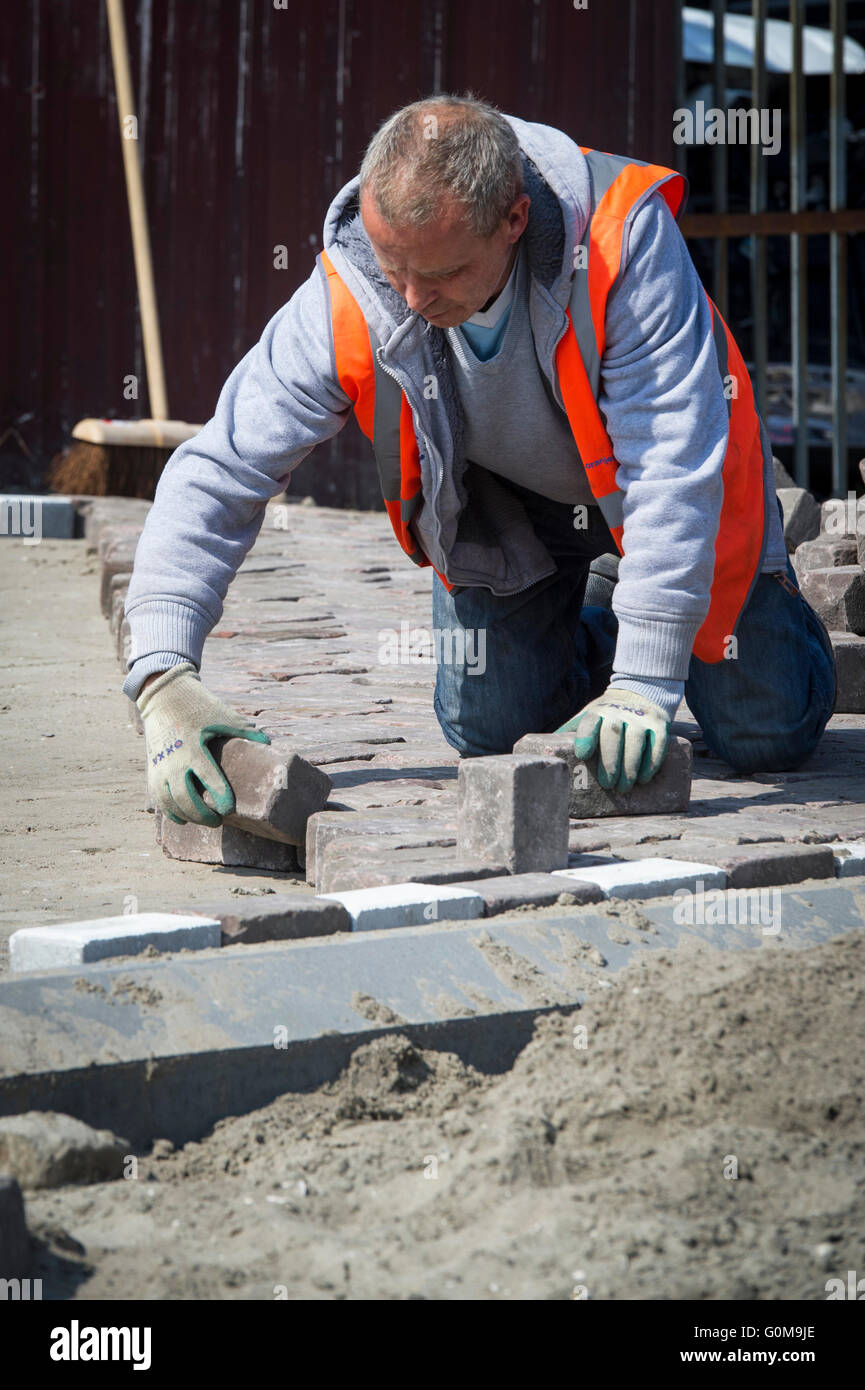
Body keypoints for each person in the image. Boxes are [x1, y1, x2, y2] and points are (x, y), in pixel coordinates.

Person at [125, 94, 836, 827]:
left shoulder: (621, 241)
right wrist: (162, 677)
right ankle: (610, 608)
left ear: (514, 221)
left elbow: (669, 466)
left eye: (441, 274)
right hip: (513, 509)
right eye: (392, 266)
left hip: (670, 487)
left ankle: (750, 597)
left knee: (764, 734)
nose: (408, 298)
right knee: (491, 734)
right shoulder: (353, 287)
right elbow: (220, 469)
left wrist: (646, 685)